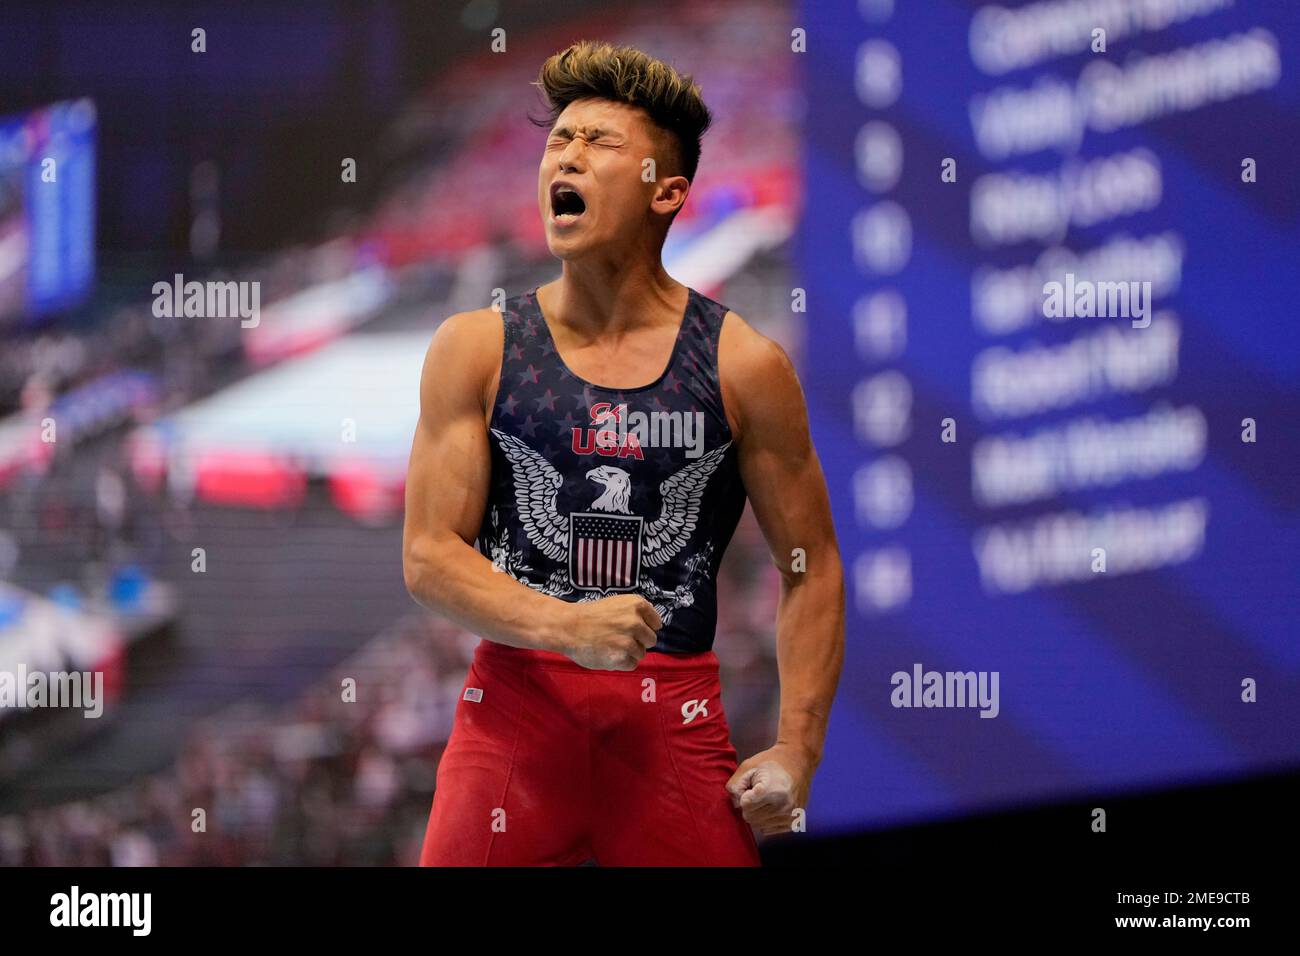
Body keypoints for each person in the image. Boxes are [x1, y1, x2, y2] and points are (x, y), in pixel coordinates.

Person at [403, 40, 843, 866]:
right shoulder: (477, 348)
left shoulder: (742, 364)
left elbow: (810, 564)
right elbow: (429, 556)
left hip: (670, 717)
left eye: (600, 142)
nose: (566, 154)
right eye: (557, 141)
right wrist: (563, 625)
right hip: (514, 716)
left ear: (666, 191)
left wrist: (798, 751)